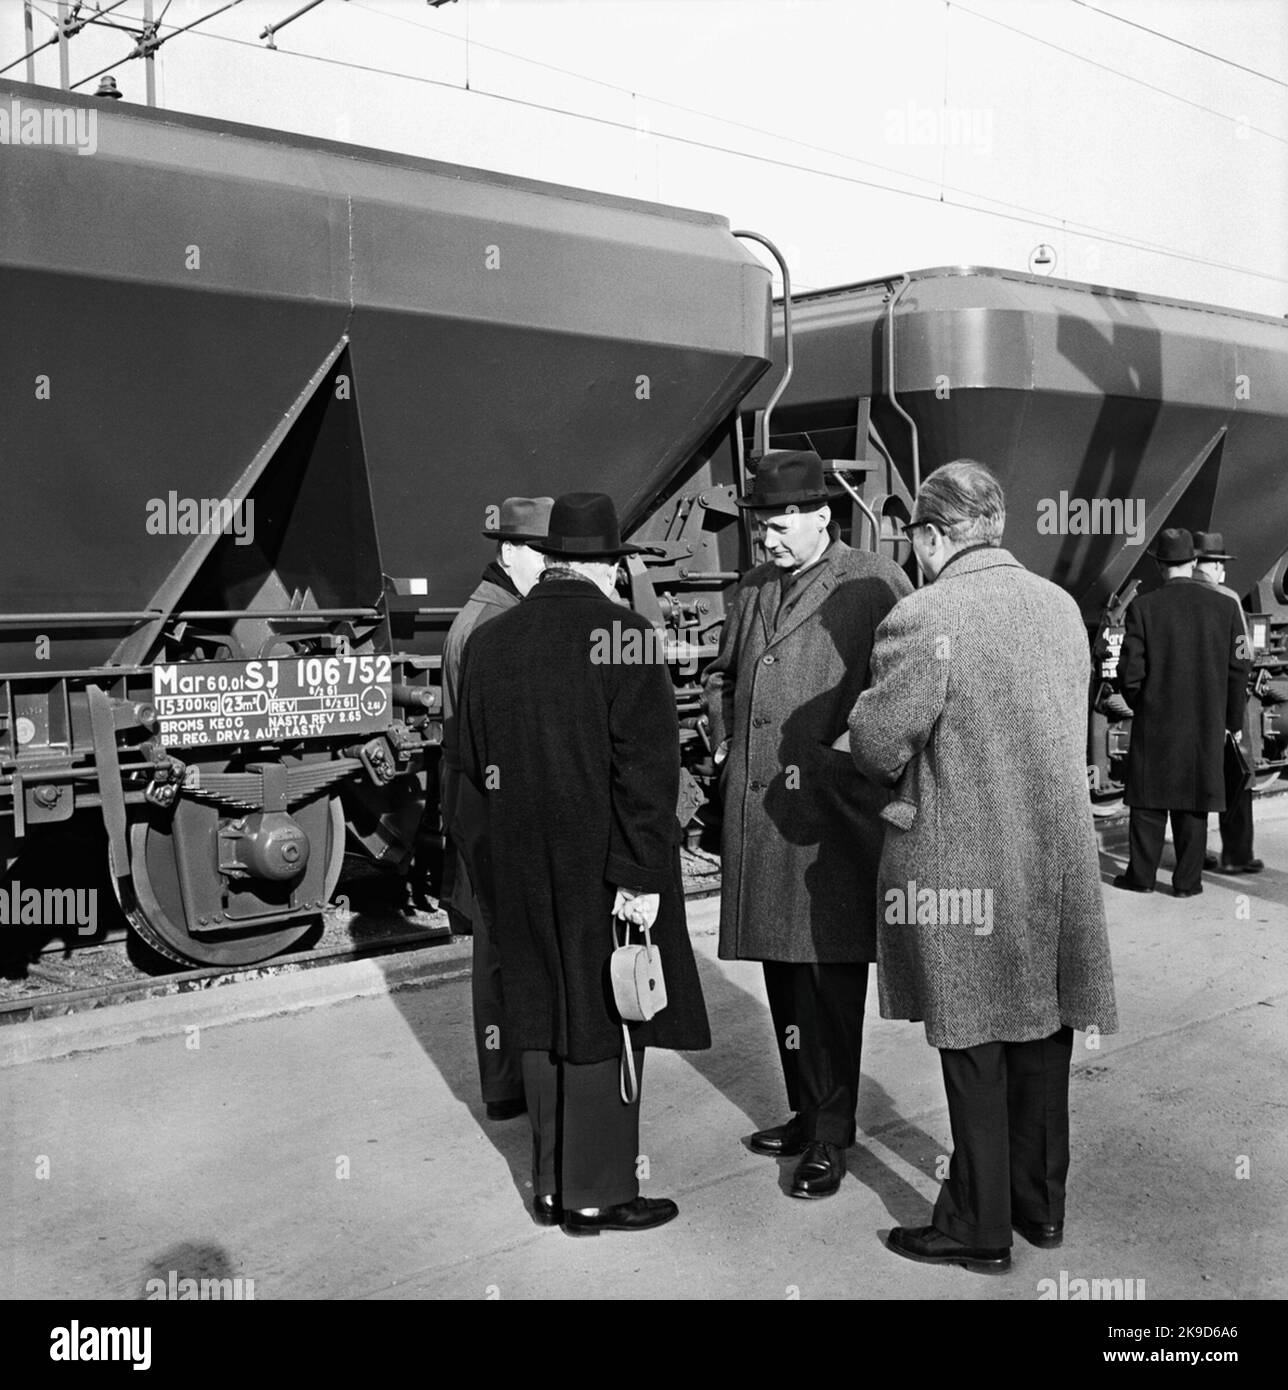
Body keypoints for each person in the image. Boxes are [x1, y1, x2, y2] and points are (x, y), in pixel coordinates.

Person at [848, 458, 1118, 1273]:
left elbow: (878, 741)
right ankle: (1040, 1210)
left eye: (915, 537)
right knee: (1042, 1036)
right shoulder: (1060, 606)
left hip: (962, 865)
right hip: (1055, 860)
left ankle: (975, 1225)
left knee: (973, 1049)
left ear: (932, 536)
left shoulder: (925, 614)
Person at [457, 491, 711, 1234]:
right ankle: (598, 1192)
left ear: (550, 560)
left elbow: (472, 763)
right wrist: (639, 877)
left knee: (537, 1013)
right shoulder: (625, 637)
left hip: (519, 863)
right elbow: (647, 774)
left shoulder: (491, 641)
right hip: (602, 864)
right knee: (606, 1012)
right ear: (607, 565)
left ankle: (547, 1187)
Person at [706, 450, 911, 1199]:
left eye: (782, 520)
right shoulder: (756, 585)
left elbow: (907, 688)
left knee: (827, 976)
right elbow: (721, 676)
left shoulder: (873, 583)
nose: (767, 536)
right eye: (761, 521)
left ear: (823, 515)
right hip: (761, 810)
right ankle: (804, 1111)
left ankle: (831, 1133)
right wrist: (728, 739)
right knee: (783, 972)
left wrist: (847, 757)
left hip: (829, 818)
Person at [440, 497, 552, 1121]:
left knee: (496, 943)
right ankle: (513, 1083)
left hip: (475, 794)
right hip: (490, 798)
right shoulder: (496, 622)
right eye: (541, 552)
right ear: (509, 552)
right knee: (507, 945)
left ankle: (506, 1084)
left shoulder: (487, 611)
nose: (551, 564)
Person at [1114, 528, 1250, 897]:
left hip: (1156, 723)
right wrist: (1231, 722)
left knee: (1148, 801)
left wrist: (1145, 703)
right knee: (1195, 803)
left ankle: (1141, 878)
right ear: (1193, 563)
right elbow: (1240, 666)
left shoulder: (1142, 608)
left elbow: (1130, 672)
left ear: (1160, 567)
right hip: (1206, 724)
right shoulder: (1226, 608)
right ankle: (1187, 883)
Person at [1193, 531, 1262, 875]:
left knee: (1194, 779)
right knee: (1237, 775)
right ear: (1216, 566)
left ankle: (1194, 855)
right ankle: (1236, 855)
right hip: (1224, 700)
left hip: (1188, 705)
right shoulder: (1228, 598)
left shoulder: (1169, 595)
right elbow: (1242, 655)